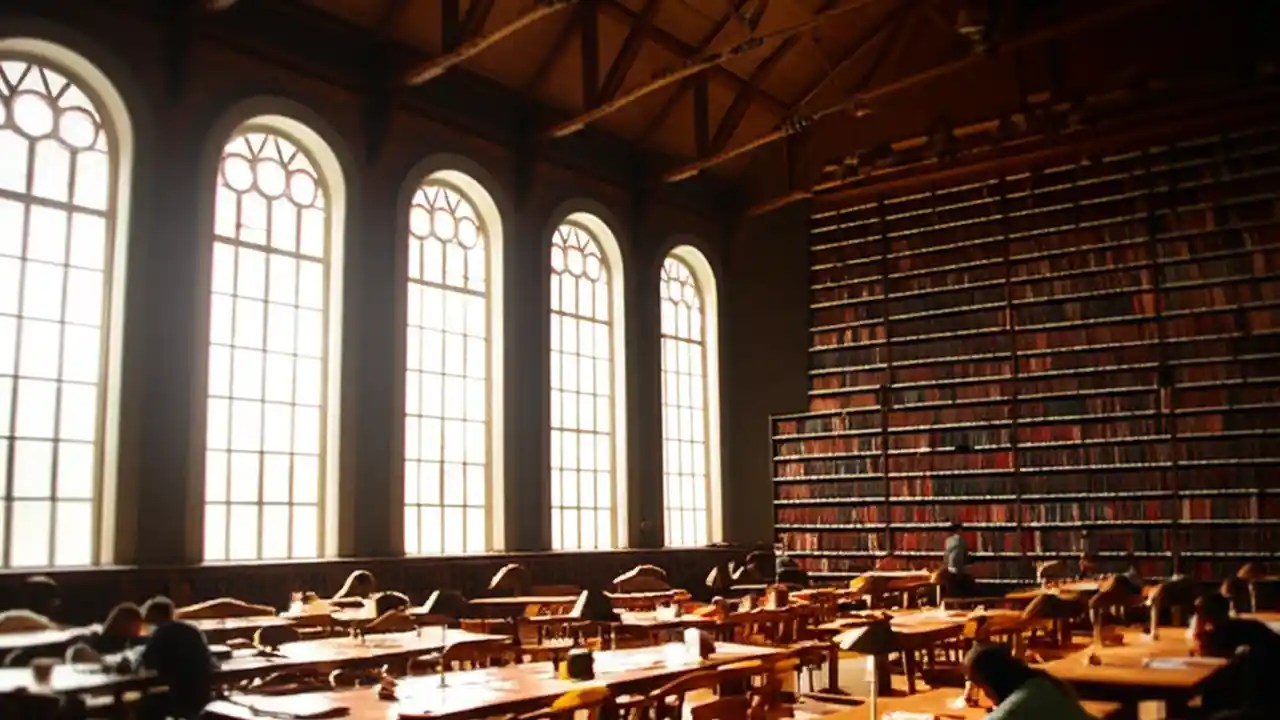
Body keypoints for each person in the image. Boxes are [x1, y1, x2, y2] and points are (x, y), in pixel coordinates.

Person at [1192, 593, 1280, 717]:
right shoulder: (1247, 626)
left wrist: (1199, 623)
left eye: (1200, 613)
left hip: (1256, 704)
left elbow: (1202, 647)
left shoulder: (1224, 632)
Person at [965, 643, 1098, 720]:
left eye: (981, 687)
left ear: (993, 681)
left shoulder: (1012, 711)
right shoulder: (1041, 683)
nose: (984, 695)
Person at [138, 596, 215, 719]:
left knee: (143, 706)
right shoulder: (192, 630)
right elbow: (210, 659)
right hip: (202, 693)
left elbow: (148, 662)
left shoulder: (161, 633)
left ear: (154, 615)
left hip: (178, 696)